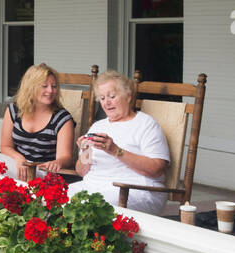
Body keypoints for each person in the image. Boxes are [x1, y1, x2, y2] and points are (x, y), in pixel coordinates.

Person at [71, 70, 171, 214]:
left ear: (128, 96)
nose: (107, 102)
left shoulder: (145, 124)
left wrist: (115, 150)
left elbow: (157, 169)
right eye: (103, 98)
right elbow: (81, 172)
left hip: (134, 190)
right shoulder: (98, 126)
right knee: (54, 198)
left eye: (112, 96)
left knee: (93, 207)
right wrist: (85, 151)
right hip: (92, 186)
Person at [0, 64, 76, 182]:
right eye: (44, 86)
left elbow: (65, 157)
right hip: (17, 165)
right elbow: (5, 147)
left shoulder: (63, 119)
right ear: (31, 87)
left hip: (42, 172)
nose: (50, 91)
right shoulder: (14, 110)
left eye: (54, 86)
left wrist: (57, 162)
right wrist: (18, 158)